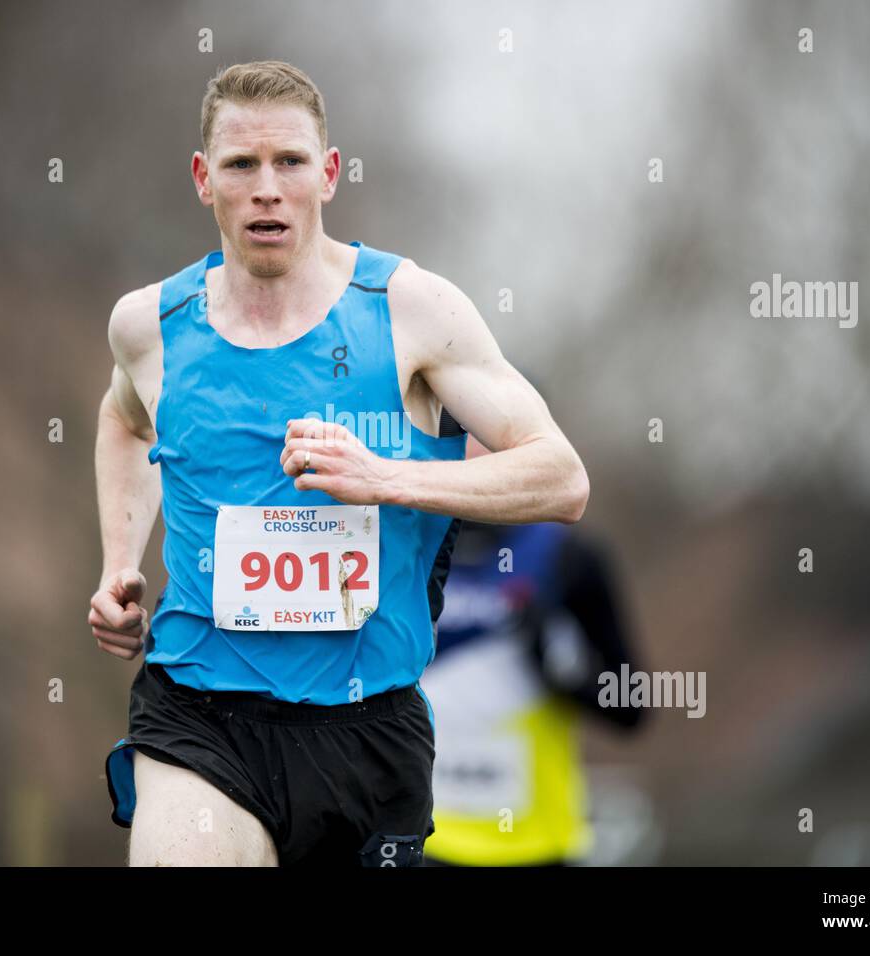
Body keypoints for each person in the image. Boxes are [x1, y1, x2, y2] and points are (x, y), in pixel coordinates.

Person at [93, 60, 589, 867]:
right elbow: (121, 418)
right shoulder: (149, 324)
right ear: (202, 179)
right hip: (199, 713)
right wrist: (118, 566)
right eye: (240, 165)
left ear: (327, 174)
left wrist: (386, 478)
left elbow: (561, 477)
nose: (266, 188)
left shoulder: (413, 312)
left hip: (366, 729)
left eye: (289, 162)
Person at [421, 429, 646, 867]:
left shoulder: (570, 557)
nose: (474, 448)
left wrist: (562, 672)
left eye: (489, 431)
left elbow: (632, 709)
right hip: (425, 844)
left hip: (538, 846)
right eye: (460, 430)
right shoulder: (403, 545)